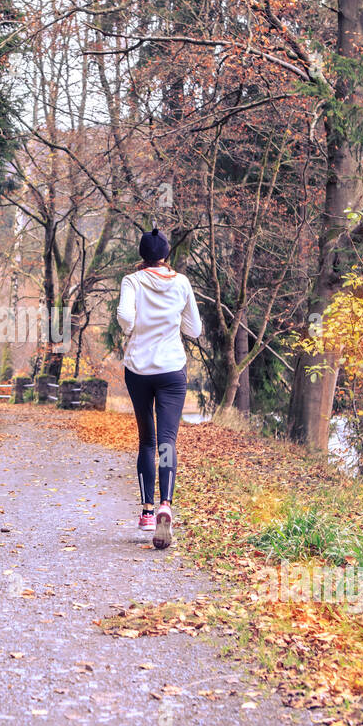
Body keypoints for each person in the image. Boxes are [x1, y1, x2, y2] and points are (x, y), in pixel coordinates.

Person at [116, 228, 202, 549]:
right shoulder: (181, 282)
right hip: (171, 371)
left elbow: (125, 315)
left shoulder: (132, 281)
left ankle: (147, 512)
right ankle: (166, 502)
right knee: (167, 440)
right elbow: (195, 329)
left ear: (142, 255)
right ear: (166, 255)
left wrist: (134, 329)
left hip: (138, 369)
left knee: (147, 440)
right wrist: (171, 322)